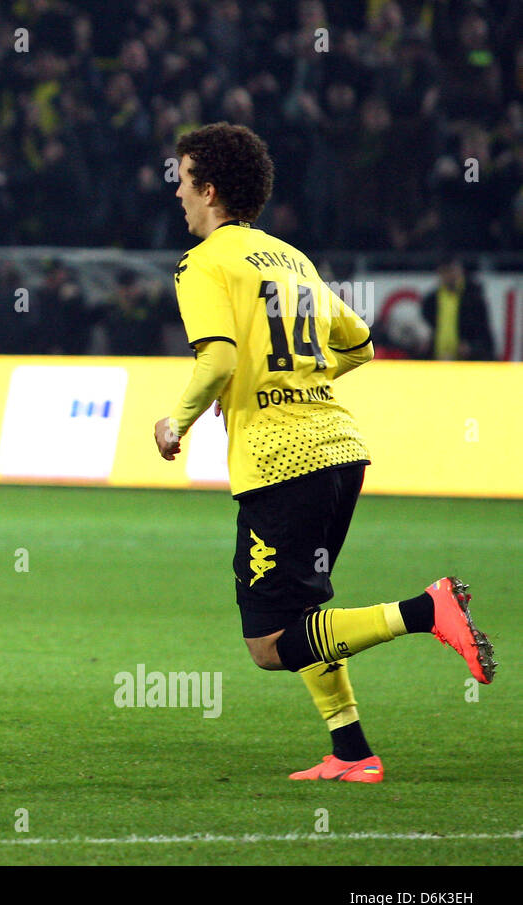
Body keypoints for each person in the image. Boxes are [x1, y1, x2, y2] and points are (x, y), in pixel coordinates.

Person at [154, 122, 496, 783]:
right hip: (340, 449)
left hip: (282, 464)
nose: (178, 195)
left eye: (183, 181)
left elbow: (218, 355)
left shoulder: (203, 264)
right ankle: (351, 750)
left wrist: (178, 422)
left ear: (211, 190)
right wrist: (296, 382)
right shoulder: (290, 258)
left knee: (269, 644)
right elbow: (359, 341)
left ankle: (428, 610)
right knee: (306, 617)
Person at [419, 254, 495, 361]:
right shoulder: (431, 301)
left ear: (460, 271)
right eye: (445, 271)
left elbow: (485, 336)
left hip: (465, 362)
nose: (449, 275)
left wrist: (471, 348)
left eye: (452, 270)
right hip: (437, 361)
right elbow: (427, 329)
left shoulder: (474, 299)